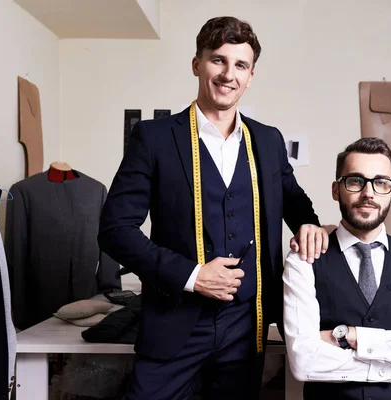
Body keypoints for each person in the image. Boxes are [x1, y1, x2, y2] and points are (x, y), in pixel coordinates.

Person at [98, 16, 328, 400]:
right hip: (173, 321)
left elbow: (297, 203)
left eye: (240, 65)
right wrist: (192, 275)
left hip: (246, 327)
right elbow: (115, 229)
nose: (228, 74)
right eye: (218, 60)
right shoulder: (154, 138)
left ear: (251, 76)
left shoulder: (269, 142)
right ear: (196, 64)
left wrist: (310, 224)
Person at [283, 137, 391, 399]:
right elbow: (304, 361)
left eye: (381, 183)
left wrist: (348, 337)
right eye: (355, 181)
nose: (369, 193)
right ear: (336, 189)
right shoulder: (304, 260)